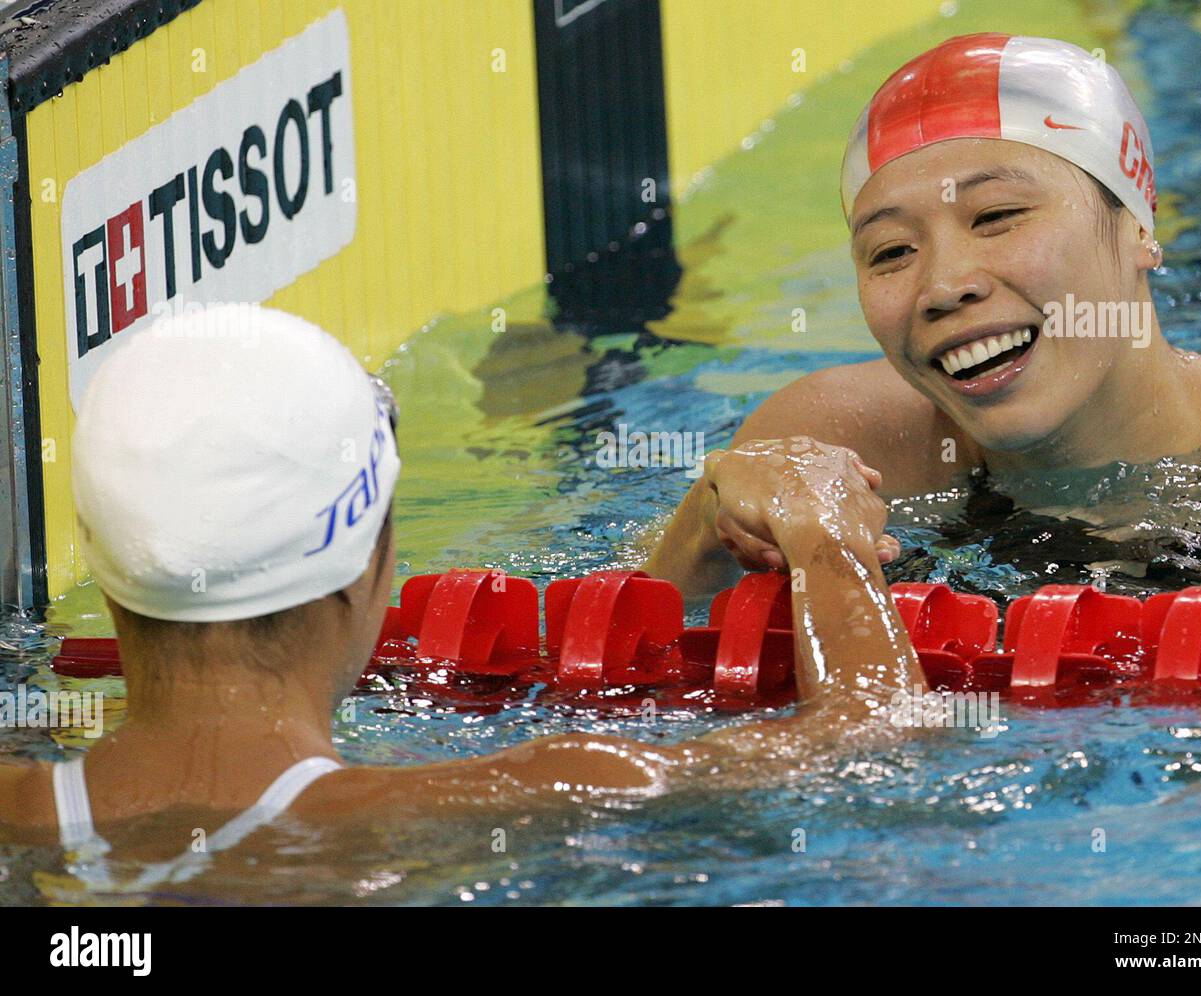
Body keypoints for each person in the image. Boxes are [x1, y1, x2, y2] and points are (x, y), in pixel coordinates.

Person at [0, 304, 921, 887]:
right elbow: (872, 735)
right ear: (371, 561)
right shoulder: (516, 793)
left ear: (99, 559)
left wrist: (690, 537)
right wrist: (829, 538)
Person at [645, 33, 1201, 595]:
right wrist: (703, 530)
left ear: (1136, 226)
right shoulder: (841, 441)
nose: (944, 285)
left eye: (997, 216)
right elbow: (621, 651)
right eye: (892, 251)